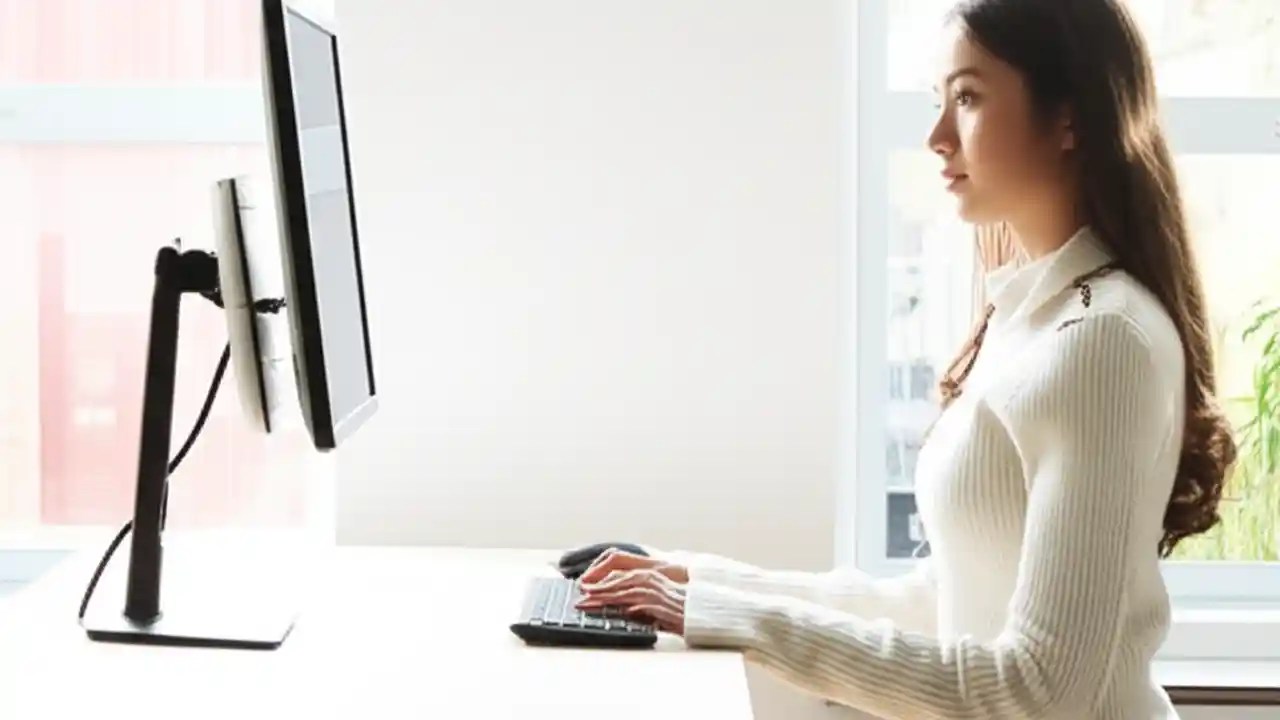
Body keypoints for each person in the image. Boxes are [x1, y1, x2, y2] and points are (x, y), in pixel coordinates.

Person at [572, 1, 1238, 717]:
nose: (937, 136)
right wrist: (704, 587)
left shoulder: (1105, 341)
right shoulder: (1031, 321)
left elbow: (1038, 692)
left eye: (969, 98)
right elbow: (943, 599)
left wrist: (734, 620)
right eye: (938, 101)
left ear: (1070, 117)